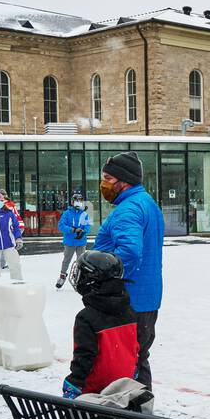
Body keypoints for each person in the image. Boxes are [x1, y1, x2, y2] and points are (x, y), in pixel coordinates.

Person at [93, 151, 165, 390]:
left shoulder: (128, 209)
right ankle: (141, 413)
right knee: (137, 358)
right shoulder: (146, 203)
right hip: (146, 297)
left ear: (123, 181)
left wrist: (109, 280)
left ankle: (133, 416)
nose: (103, 184)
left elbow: (130, 252)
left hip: (127, 299)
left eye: (107, 178)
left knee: (124, 362)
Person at [62, 250, 139, 398]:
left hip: (95, 391)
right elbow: (135, 347)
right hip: (124, 386)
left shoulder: (86, 317)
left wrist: (74, 382)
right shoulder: (129, 311)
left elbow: (85, 356)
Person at [56, 191, 92, 289]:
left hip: (81, 242)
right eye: (75, 201)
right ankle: (62, 276)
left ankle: (79, 277)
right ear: (72, 202)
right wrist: (72, 230)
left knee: (81, 261)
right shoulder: (67, 213)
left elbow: (88, 226)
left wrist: (83, 231)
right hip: (69, 242)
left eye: (79, 201)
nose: (77, 202)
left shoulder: (84, 214)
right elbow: (61, 225)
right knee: (66, 260)